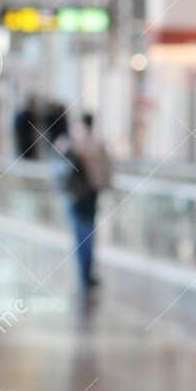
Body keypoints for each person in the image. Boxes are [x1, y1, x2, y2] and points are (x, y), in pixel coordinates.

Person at [56, 112, 111, 293]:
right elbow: (105, 173)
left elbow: (58, 169)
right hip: (89, 196)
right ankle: (86, 275)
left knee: (81, 236)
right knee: (88, 236)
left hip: (77, 197)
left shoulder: (69, 143)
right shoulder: (96, 144)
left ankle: (85, 275)